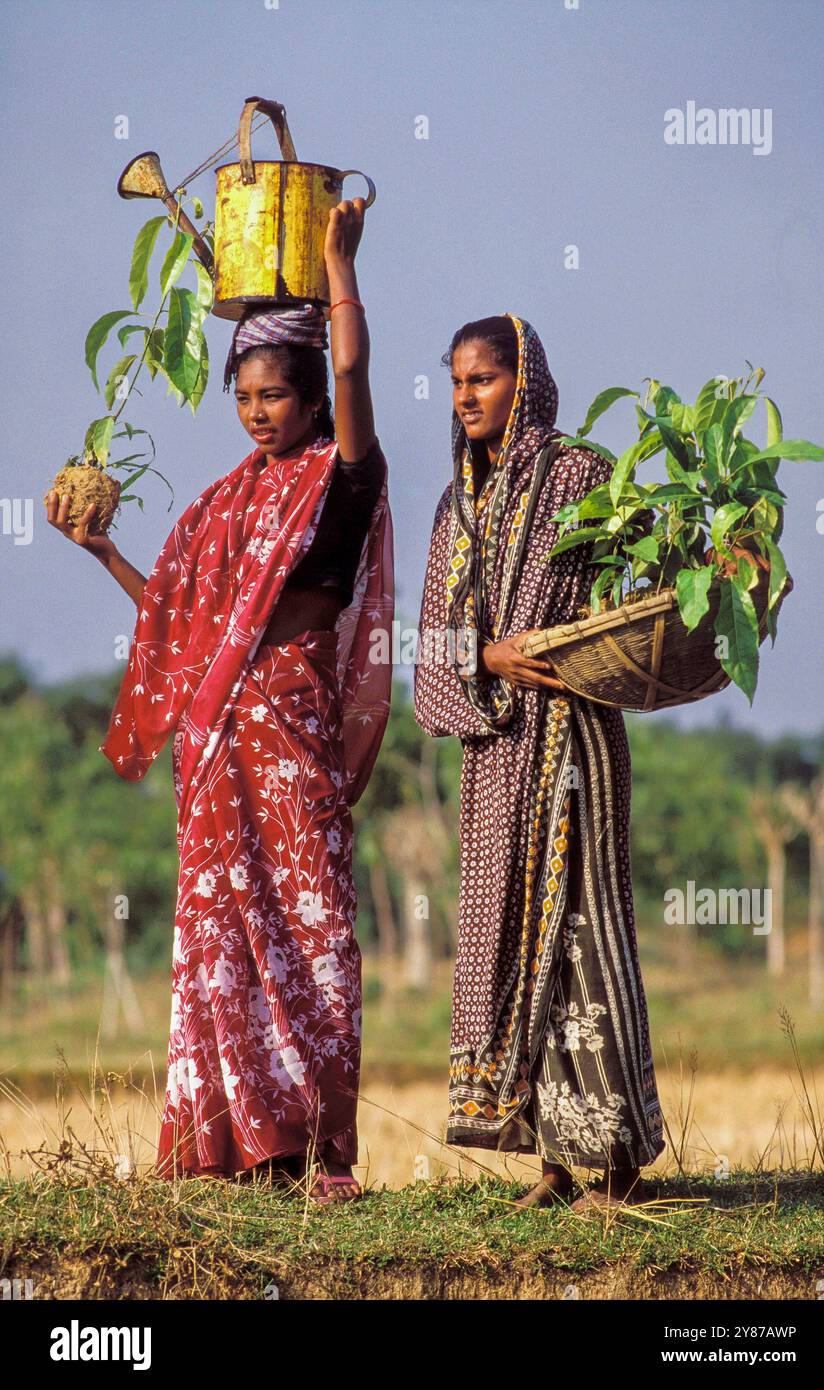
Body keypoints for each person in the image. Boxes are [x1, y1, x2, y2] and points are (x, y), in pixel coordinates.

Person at [45, 199, 394, 1205]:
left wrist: (337, 267)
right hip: (217, 749)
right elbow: (184, 630)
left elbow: (360, 372)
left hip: (294, 743)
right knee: (223, 940)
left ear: (313, 395)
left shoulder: (344, 479)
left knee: (317, 932)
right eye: (243, 395)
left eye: (276, 394)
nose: (256, 412)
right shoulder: (225, 501)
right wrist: (104, 550)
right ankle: (248, 1148)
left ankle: (323, 1151)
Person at [412, 313, 664, 1212]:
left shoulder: (583, 475)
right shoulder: (456, 504)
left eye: (482, 379)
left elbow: (639, 584)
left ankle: (621, 1164)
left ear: (527, 380)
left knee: (583, 935)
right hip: (495, 756)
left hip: (573, 744)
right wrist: (486, 656)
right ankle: (554, 1167)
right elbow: (434, 648)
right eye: (455, 382)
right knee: (515, 949)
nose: (465, 397)